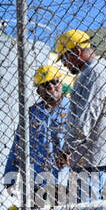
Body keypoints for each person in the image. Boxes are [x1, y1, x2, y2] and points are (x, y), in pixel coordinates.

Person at [55, 29, 106, 207]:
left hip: (93, 159)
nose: (64, 64)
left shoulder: (94, 72)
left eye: (64, 58)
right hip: (98, 157)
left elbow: (84, 119)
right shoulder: (99, 69)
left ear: (77, 52)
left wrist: (66, 149)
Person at [4, 64, 70, 202]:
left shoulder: (73, 108)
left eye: (54, 81)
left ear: (61, 83)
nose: (51, 87)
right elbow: (17, 146)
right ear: (38, 91)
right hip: (38, 181)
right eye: (45, 84)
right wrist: (9, 175)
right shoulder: (32, 114)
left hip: (66, 181)